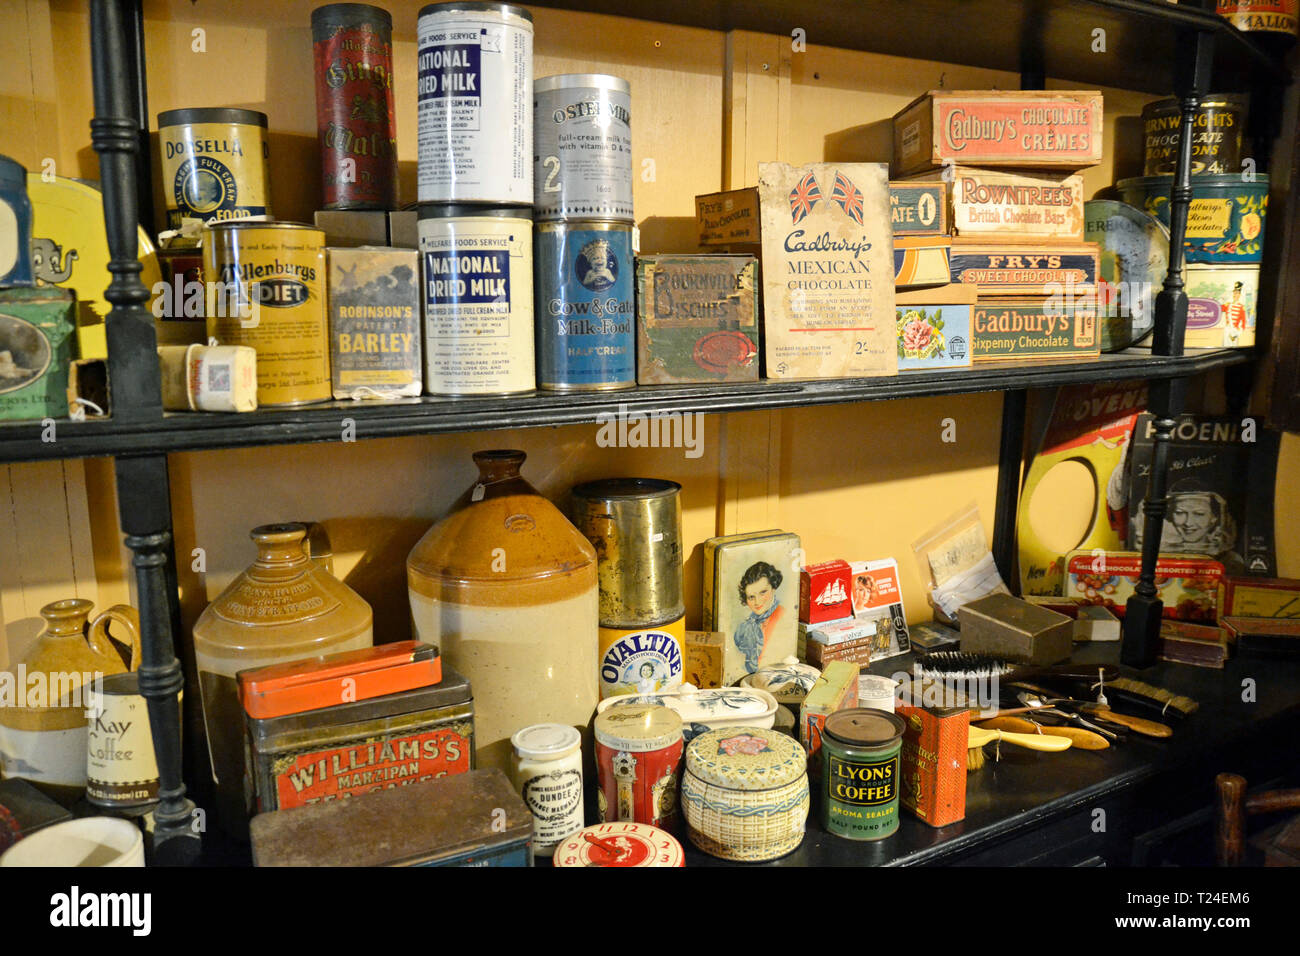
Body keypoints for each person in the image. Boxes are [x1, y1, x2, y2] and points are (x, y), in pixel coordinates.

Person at [733, 561, 785, 673]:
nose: (758, 602)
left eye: (763, 592)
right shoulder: (744, 627)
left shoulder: (782, 617)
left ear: (773, 588)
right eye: (751, 597)